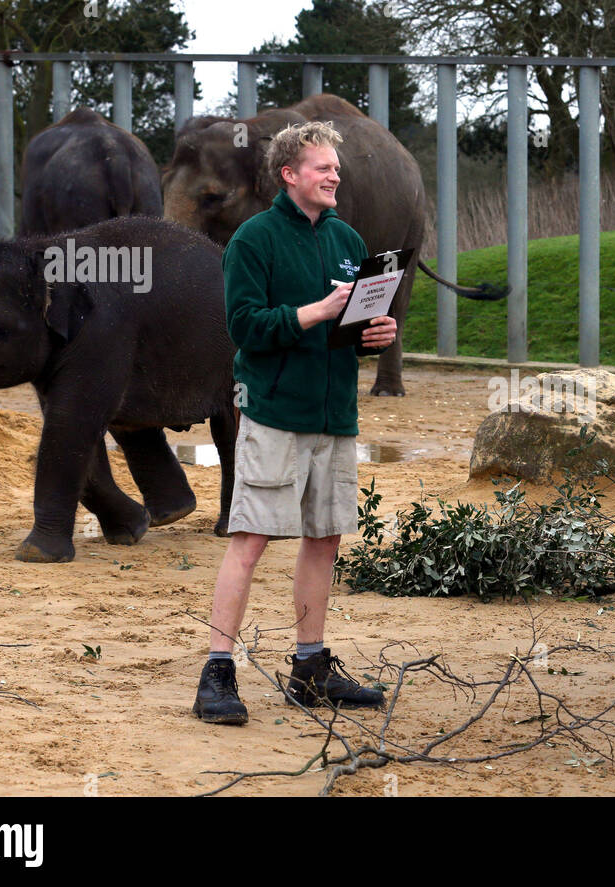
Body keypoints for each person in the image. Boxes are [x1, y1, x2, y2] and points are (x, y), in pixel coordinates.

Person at [192, 120, 398, 725]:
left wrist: (371, 334)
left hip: (336, 418)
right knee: (250, 540)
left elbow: (347, 332)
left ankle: (310, 669)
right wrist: (319, 310)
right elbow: (246, 327)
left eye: (336, 168)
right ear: (289, 174)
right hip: (275, 414)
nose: (335, 174)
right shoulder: (253, 240)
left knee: (324, 539)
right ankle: (217, 673)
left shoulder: (349, 241)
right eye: (322, 167)